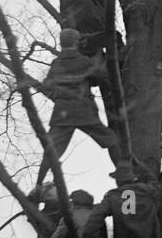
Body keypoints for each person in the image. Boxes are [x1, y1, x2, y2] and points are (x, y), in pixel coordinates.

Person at [34, 27, 120, 189]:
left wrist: (60, 94)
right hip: (84, 110)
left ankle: (38, 185)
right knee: (111, 139)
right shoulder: (83, 61)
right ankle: (125, 171)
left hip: (62, 113)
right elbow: (101, 76)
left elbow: (47, 85)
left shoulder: (56, 64)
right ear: (76, 42)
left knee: (51, 151)